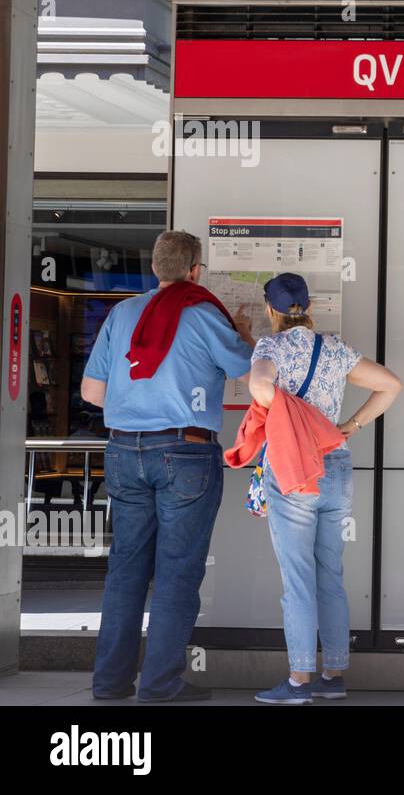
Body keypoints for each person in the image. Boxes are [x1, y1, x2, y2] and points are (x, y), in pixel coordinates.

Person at [81, 230, 255, 702]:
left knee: (125, 571)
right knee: (177, 571)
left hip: (122, 453)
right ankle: (160, 685)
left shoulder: (120, 314)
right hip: (185, 454)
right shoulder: (202, 313)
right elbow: (248, 371)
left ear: (155, 269)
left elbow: (91, 393)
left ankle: (110, 683)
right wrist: (243, 336)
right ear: (195, 270)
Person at [247, 273, 401, 704]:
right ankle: (333, 675)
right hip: (336, 463)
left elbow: (260, 386)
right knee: (329, 575)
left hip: (294, 470)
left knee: (297, 579)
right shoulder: (334, 347)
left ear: (271, 310)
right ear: (309, 308)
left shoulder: (271, 348)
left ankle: (298, 681)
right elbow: (391, 385)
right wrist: (348, 426)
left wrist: (287, 415)